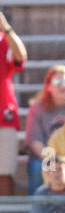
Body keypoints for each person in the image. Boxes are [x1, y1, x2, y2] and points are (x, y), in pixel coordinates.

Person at [24, 66, 65, 194]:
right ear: (49, 86)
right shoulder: (37, 108)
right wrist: (53, 161)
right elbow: (34, 140)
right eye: (57, 82)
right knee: (38, 168)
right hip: (46, 156)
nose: (62, 86)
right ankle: (36, 209)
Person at [0, 11, 26, 197]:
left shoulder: (3, 40)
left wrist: (6, 28)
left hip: (3, 116)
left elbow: (21, 56)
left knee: (4, 173)